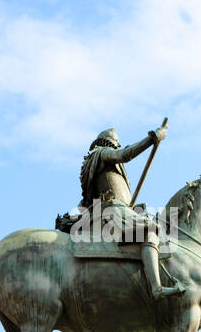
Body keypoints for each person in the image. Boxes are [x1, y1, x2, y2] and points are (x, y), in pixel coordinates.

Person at [74, 125, 184, 299]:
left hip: (118, 209)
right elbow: (125, 155)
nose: (118, 146)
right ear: (110, 142)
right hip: (112, 210)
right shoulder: (102, 153)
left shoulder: (96, 164)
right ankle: (157, 287)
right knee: (151, 229)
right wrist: (152, 138)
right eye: (117, 143)